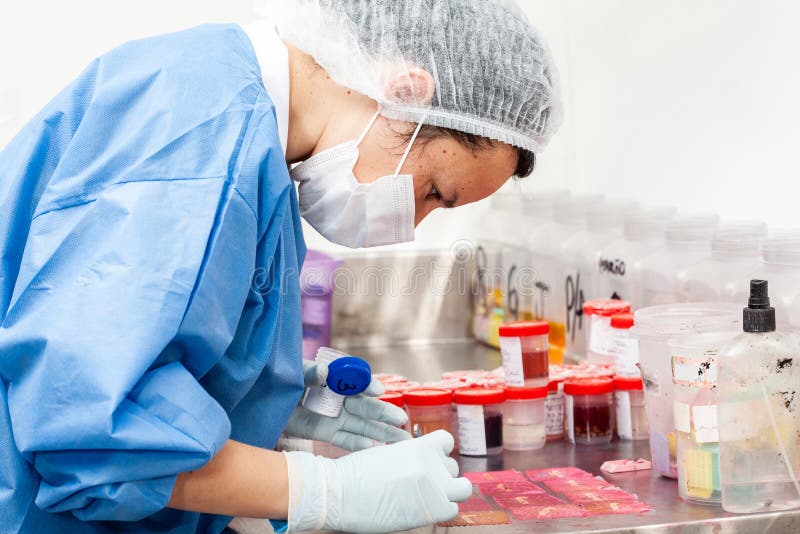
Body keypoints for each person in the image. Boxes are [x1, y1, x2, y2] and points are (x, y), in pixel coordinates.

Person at [0, 0, 561, 532]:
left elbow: (133, 346)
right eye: (435, 191)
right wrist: (327, 488)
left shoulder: (244, 128)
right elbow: (90, 431)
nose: (412, 224)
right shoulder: (206, 143)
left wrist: (261, 406)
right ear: (406, 93)